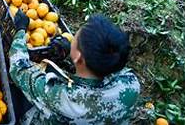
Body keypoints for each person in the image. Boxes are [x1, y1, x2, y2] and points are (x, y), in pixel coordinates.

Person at [9, 13, 141, 124]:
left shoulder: (68, 99)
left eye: (75, 40)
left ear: (78, 56)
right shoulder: (131, 84)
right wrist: (70, 57)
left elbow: (19, 69)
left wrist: (21, 30)